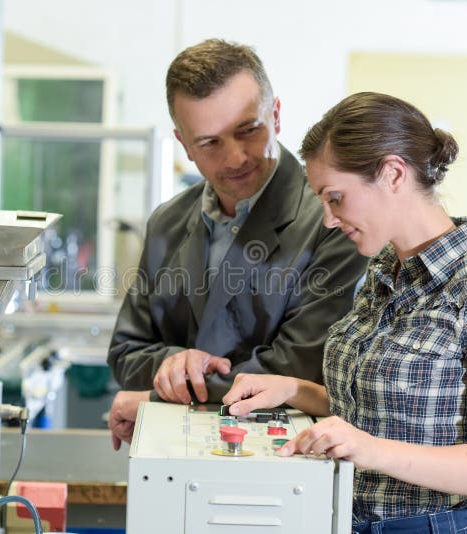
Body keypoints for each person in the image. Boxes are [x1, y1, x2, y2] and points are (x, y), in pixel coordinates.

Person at [222, 92, 467, 533]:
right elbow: (375, 411)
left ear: (393, 173)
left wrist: (368, 449)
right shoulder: (382, 271)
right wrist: (294, 389)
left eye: (335, 197)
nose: (329, 219)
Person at [106, 39, 367, 449]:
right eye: (209, 143)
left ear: (276, 115)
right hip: (174, 459)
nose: (235, 158)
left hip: (282, 465)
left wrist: (164, 391)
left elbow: (298, 366)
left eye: (248, 131)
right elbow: (126, 353)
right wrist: (173, 365)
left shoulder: (333, 220)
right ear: (183, 143)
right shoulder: (167, 223)